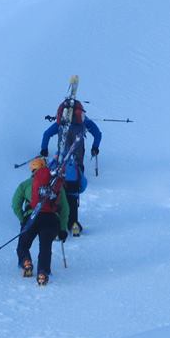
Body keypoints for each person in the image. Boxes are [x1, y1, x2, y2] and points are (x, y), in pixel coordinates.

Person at [40, 98, 102, 237]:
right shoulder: (84, 121)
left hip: (60, 166)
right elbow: (98, 133)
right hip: (76, 166)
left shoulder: (61, 123)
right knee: (73, 197)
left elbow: (46, 134)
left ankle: (58, 224)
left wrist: (44, 150)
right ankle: (73, 224)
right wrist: (95, 147)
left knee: (58, 195)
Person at [11, 156, 70, 285]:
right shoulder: (55, 184)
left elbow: (15, 204)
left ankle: (26, 261)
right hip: (51, 218)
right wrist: (62, 228)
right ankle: (43, 272)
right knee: (45, 246)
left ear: (32, 170)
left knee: (23, 245)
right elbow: (65, 208)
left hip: (32, 218)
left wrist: (23, 219)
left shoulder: (25, 184)